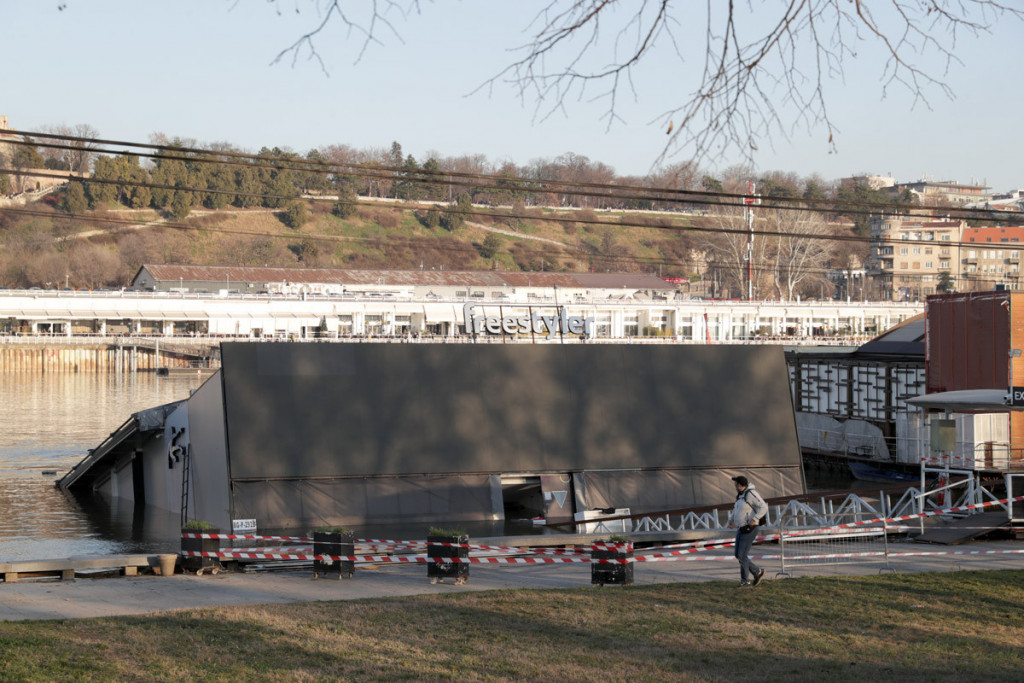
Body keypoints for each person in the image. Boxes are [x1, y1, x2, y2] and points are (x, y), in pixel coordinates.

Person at [727, 475, 768, 587]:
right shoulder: (740, 496)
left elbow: (764, 507)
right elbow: (736, 509)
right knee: (738, 554)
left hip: (749, 528)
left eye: (736, 483)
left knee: (742, 555)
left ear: (740, 485)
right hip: (741, 527)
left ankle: (745, 581)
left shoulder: (750, 494)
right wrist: (731, 520)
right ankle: (757, 572)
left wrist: (755, 519)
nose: (735, 485)